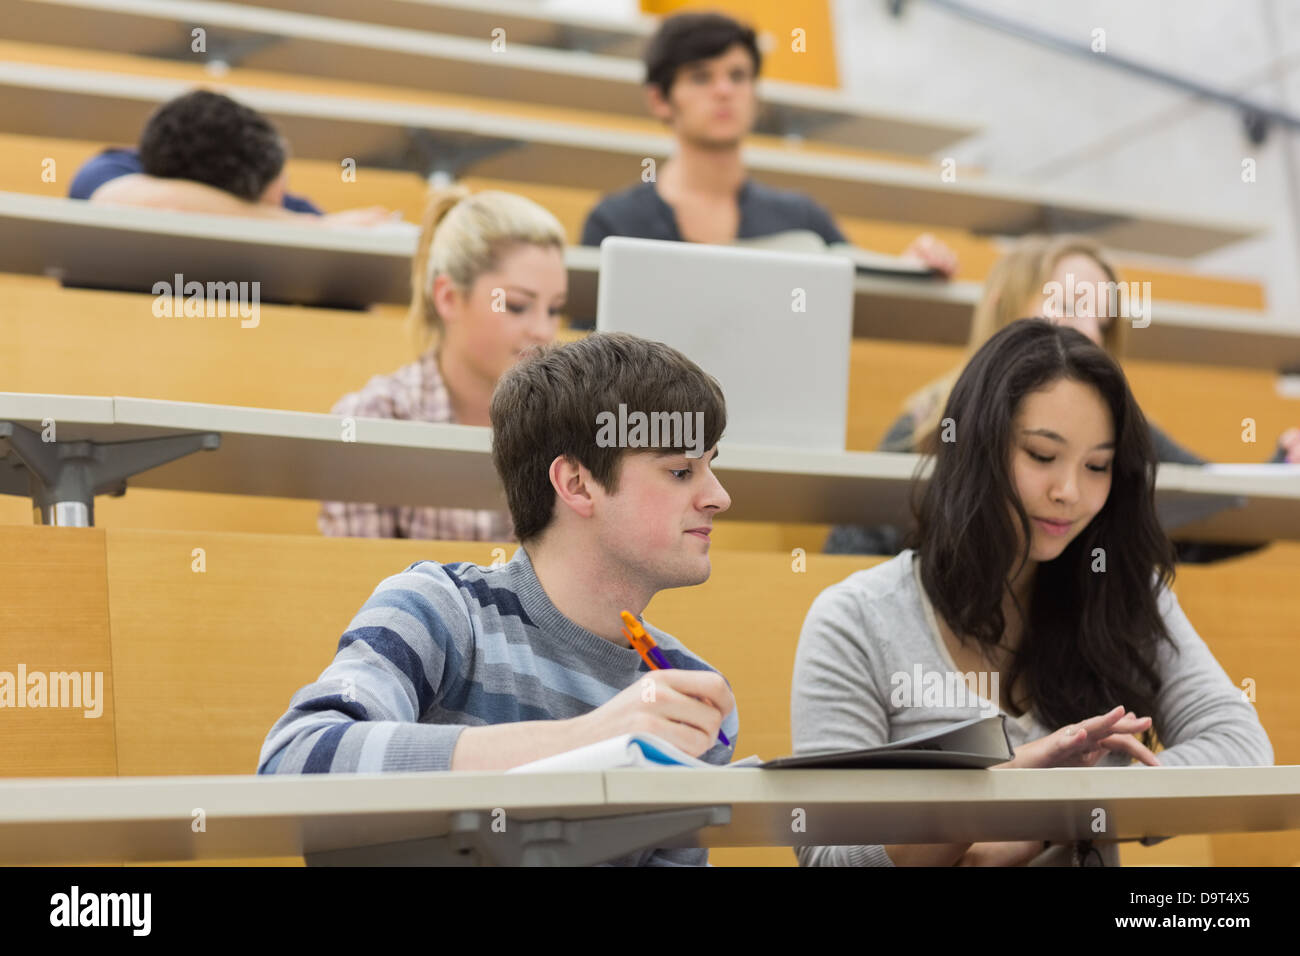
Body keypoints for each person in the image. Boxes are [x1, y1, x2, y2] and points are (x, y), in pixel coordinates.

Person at [793, 319, 1273, 867]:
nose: (1069, 492)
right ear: (976, 448)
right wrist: (986, 806)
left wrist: (1048, 816)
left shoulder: (1124, 591)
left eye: (1097, 466)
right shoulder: (856, 620)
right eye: (1042, 456)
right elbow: (827, 853)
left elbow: (1241, 750)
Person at [260, 333, 739, 866]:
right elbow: (295, 764)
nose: (718, 496)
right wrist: (588, 742)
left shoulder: (685, 693)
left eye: (711, 466)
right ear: (577, 484)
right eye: (681, 471)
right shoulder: (438, 609)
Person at [825, 234, 1300, 558]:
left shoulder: (1118, 427)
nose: (1089, 331)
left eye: (1103, 319)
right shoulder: (929, 424)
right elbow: (850, 556)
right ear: (1003, 309)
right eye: (1070, 306)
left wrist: (1283, 466)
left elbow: (1207, 511)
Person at [580, 11, 958, 275]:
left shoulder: (802, 219)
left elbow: (860, 291)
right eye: (700, 77)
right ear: (660, 100)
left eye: (739, 75)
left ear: (756, 94)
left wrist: (915, 266)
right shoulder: (614, 223)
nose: (725, 90)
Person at [318, 186, 568, 539]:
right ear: (449, 298)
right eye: (516, 305)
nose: (544, 330)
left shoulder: (568, 428)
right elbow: (360, 583)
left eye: (555, 309)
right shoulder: (372, 417)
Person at [69, 89, 395, 227]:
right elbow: (122, 202)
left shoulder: (295, 209)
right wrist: (310, 229)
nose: (283, 193)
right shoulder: (116, 171)